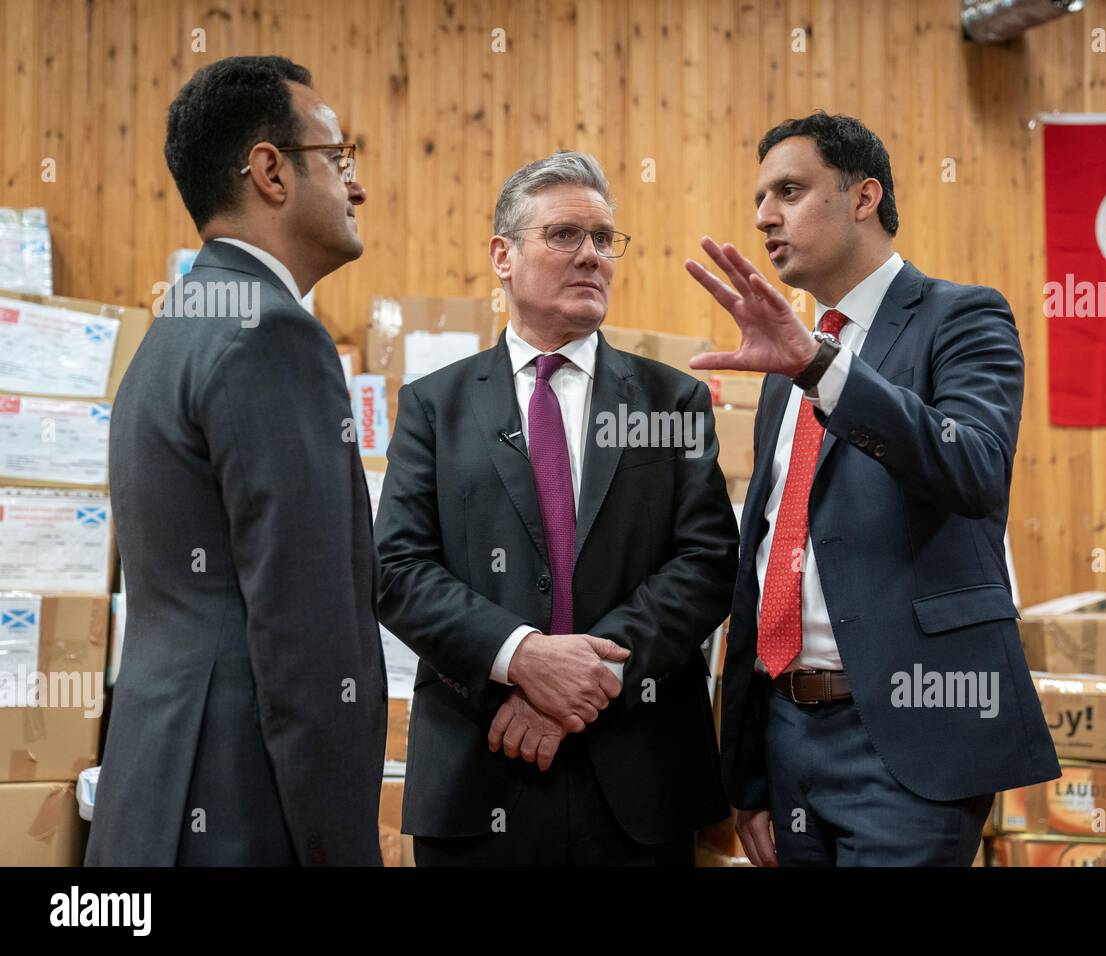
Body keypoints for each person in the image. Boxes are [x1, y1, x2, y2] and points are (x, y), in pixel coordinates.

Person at [687, 112, 1060, 866]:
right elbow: (765, 554)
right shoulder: (786, 365)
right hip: (789, 742)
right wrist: (749, 769)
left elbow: (974, 467)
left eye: (789, 191)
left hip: (912, 734)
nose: (764, 216)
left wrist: (821, 371)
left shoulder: (962, 317)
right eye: (760, 197)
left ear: (864, 197)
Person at [375, 150, 738, 866]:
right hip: (480, 770)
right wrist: (522, 659)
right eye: (565, 235)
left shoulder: (672, 401)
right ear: (502, 255)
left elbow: (707, 564)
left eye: (605, 239)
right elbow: (398, 569)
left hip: (641, 776)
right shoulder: (434, 406)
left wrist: (585, 680)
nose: (592, 256)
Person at [86, 56, 385, 866]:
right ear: (270, 171)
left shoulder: (176, 329)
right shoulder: (272, 334)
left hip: (153, 795)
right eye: (340, 158)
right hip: (243, 810)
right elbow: (306, 634)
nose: (356, 187)